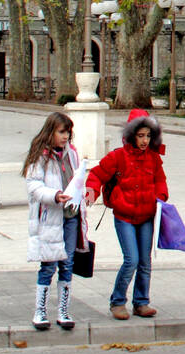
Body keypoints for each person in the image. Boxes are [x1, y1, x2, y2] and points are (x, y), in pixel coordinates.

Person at [85, 109, 168, 320]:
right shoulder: (117, 157)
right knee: (131, 259)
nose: (145, 141)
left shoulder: (153, 158)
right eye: (140, 136)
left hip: (146, 216)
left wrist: (161, 195)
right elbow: (96, 174)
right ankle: (117, 301)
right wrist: (91, 191)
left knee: (145, 261)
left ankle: (141, 302)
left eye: (148, 136)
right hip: (124, 216)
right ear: (131, 135)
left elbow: (160, 180)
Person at [23, 112, 86, 331]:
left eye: (68, 132)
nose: (65, 136)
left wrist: (83, 193)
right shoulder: (39, 156)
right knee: (48, 264)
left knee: (67, 263)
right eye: (61, 131)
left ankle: (63, 310)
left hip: (71, 216)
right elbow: (33, 186)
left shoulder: (72, 154)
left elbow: (76, 179)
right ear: (50, 132)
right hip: (51, 217)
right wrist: (54, 195)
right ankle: (40, 311)